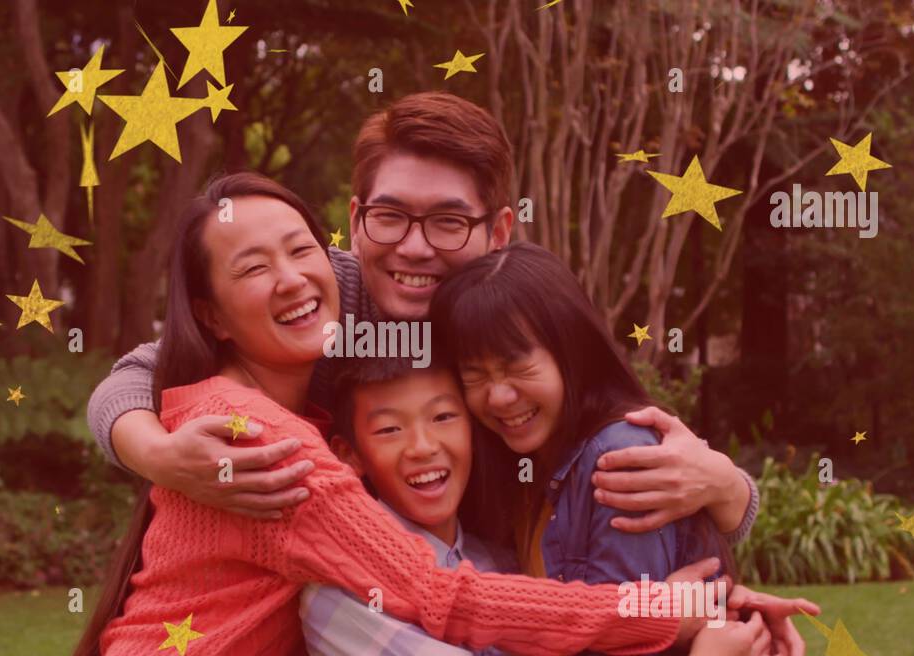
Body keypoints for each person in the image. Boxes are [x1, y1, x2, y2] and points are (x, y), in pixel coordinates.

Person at [64, 173, 736, 656]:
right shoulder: (263, 441)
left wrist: (727, 532)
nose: (292, 278)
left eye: (300, 249)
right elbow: (443, 594)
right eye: (253, 267)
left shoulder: (278, 403)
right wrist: (663, 611)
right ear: (212, 317)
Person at [86, 92, 759, 542]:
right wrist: (162, 455)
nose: (414, 246)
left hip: (503, 584)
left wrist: (728, 488)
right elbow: (135, 375)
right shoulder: (324, 298)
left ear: (498, 230)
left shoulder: (520, 314)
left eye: (446, 221)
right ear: (355, 218)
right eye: (390, 215)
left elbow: (621, 437)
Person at [428, 242, 819, 656]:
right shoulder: (519, 468)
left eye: (517, 366)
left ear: (569, 350)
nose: (498, 396)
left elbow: (622, 654)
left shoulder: (618, 456)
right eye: (474, 375)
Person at [301, 356, 802, 656]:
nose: (424, 446)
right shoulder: (343, 593)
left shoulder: (494, 561)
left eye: (444, 417)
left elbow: (579, 632)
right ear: (349, 455)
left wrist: (723, 605)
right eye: (389, 428)